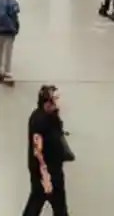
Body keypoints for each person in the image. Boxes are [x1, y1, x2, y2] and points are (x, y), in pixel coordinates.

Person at [23, 85, 73, 216]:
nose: (59, 102)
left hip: (54, 168)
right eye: (56, 99)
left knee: (56, 206)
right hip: (46, 171)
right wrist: (45, 177)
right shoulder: (39, 120)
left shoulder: (53, 116)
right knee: (38, 203)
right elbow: (37, 150)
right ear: (47, 102)